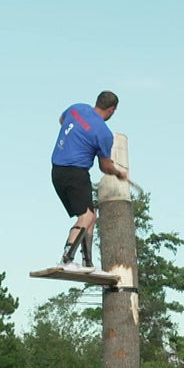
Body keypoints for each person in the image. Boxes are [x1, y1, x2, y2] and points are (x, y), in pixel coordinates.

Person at [51, 90, 128, 273]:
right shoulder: (103, 134)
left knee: (91, 216)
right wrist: (118, 172)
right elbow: (104, 167)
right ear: (112, 110)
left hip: (57, 171)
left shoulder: (77, 109)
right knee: (86, 217)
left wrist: (75, 137)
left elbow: (62, 121)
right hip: (76, 173)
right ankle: (67, 257)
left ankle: (87, 263)